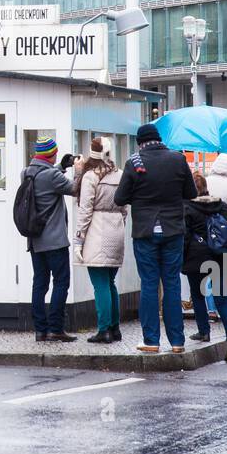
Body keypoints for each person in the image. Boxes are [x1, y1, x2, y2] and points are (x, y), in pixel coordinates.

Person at [115, 123, 195, 353]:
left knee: (149, 284)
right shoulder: (177, 160)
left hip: (145, 231)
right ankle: (177, 342)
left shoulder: (134, 162)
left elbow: (120, 198)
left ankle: (151, 340)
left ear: (140, 142)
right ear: (159, 139)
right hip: (173, 230)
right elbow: (191, 193)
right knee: (172, 283)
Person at [20, 136, 77, 344]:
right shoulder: (52, 176)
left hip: (35, 240)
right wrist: (78, 169)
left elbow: (50, 180)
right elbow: (74, 188)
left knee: (40, 283)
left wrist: (62, 166)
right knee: (61, 282)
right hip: (55, 241)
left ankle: (41, 330)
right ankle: (56, 328)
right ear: (51, 154)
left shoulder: (26, 173)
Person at [73, 137, 127, 345]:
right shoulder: (120, 174)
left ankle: (103, 329)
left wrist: (79, 240)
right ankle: (115, 328)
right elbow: (125, 208)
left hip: (97, 230)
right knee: (110, 282)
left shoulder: (90, 177)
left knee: (99, 284)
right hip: (116, 229)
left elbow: (85, 210)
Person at [183, 171, 227, 362]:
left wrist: (181, 259)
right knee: (222, 300)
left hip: (197, 258)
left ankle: (203, 332)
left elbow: (184, 236)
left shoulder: (187, 207)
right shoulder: (222, 206)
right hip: (222, 256)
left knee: (198, 295)